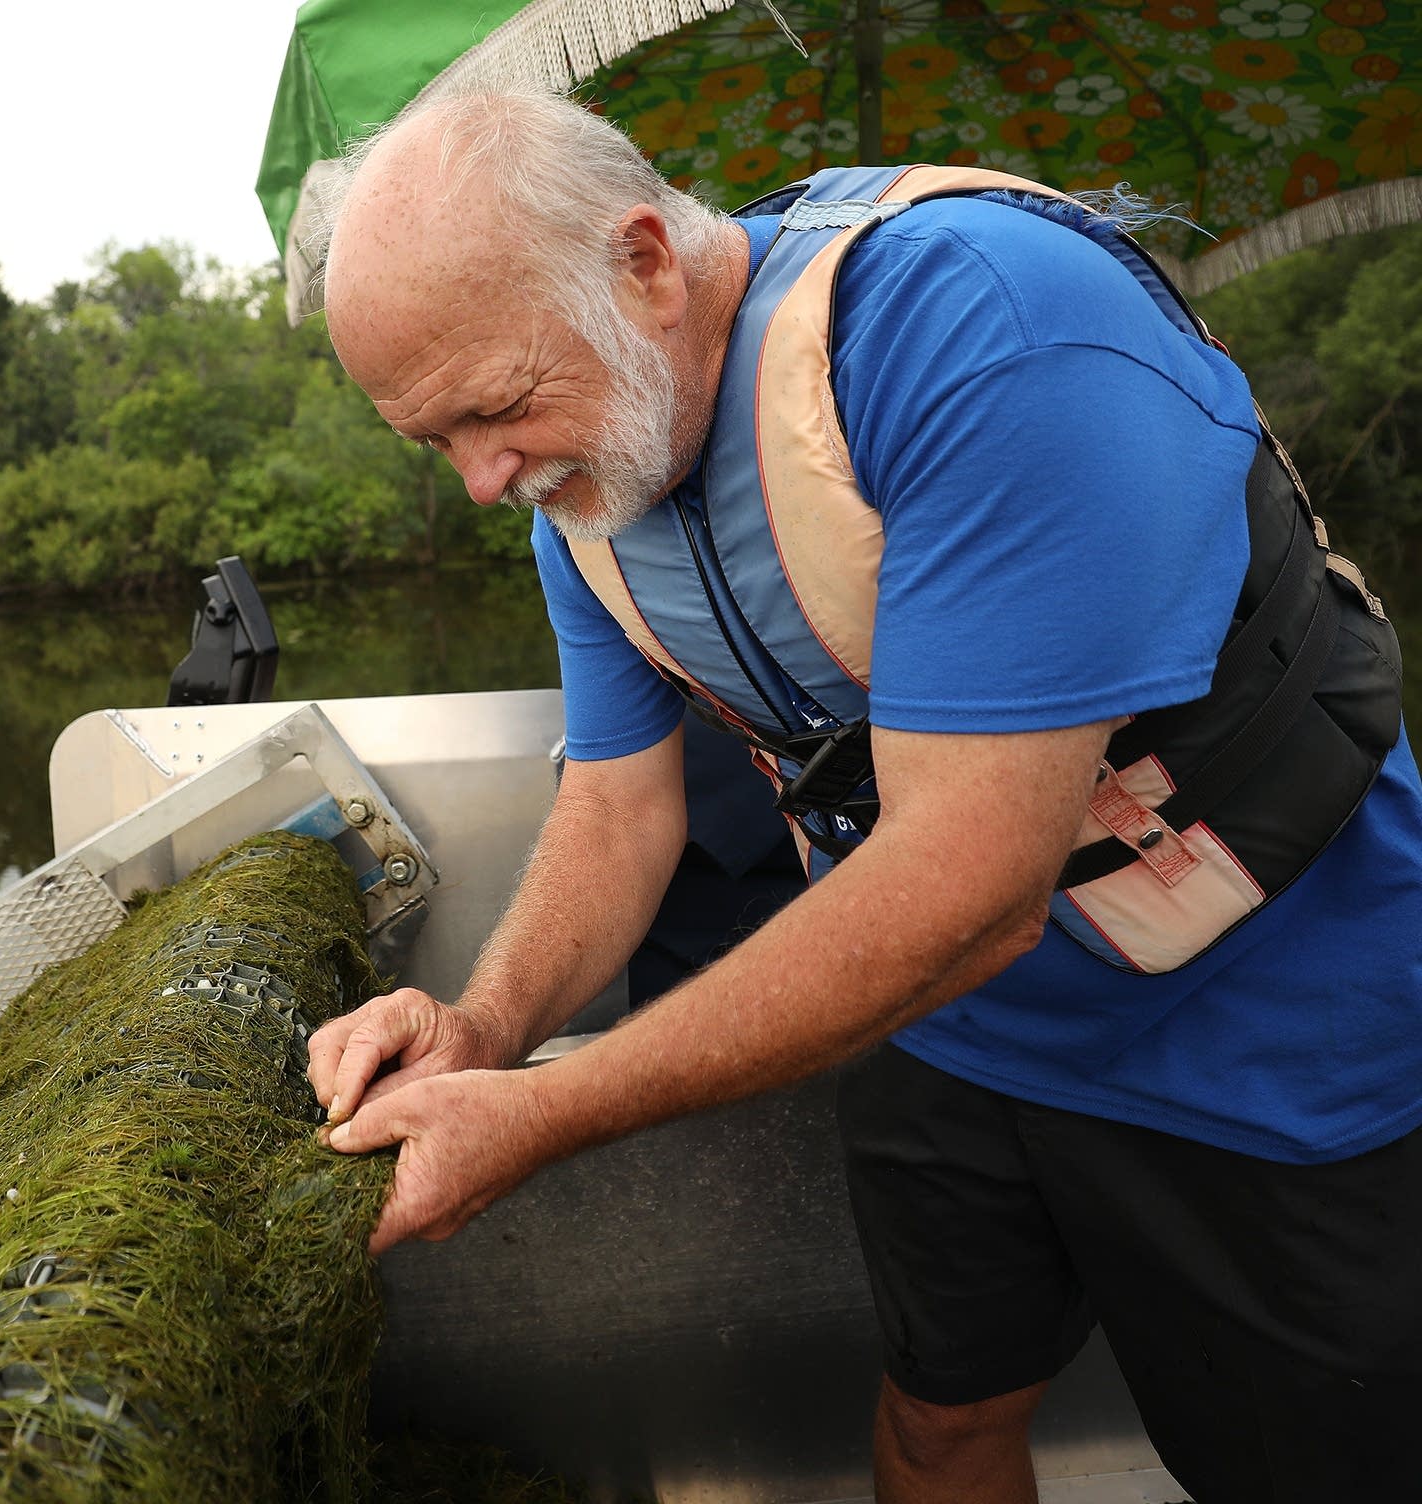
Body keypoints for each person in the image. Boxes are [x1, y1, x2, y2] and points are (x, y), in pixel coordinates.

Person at [303, 84, 1422, 1504]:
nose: (481, 481)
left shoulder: (988, 334)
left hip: (1262, 1016)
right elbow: (619, 811)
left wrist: (544, 1114)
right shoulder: (588, 473)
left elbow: (970, 892)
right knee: (939, 1425)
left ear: (643, 263)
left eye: (496, 408)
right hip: (944, 1024)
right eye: (434, 439)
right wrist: (484, 1030)